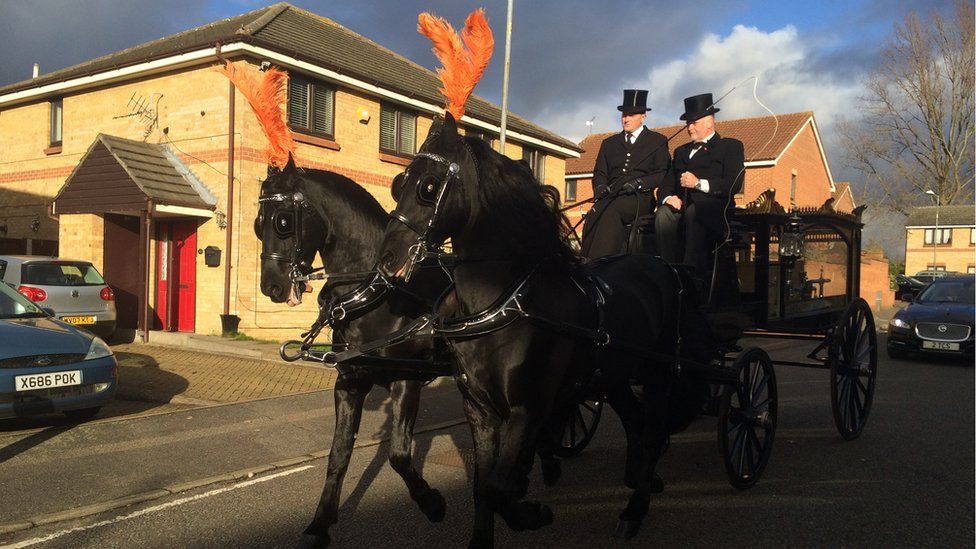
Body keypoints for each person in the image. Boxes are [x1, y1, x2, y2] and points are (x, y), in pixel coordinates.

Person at [654, 92, 744, 275]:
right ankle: (670, 272)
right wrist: (668, 197)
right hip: (682, 207)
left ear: (709, 122)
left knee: (695, 212)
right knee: (664, 215)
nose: (689, 128)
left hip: (715, 209)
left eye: (694, 122)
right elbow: (666, 183)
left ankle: (692, 273)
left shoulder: (730, 146)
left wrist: (698, 184)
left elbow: (733, 184)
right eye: (688, 123)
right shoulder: (680, 152)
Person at [580, 89, 670, 259]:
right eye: (623, 115)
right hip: (611, 195)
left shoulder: (657, 141)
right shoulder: (609, 143)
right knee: (595, 211)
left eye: (631, 115)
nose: (625, 119)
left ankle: (600, 262)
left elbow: (662, 172)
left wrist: (639, 183)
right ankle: (584, 260)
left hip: (638, 197)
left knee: (611, 211)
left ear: (643, 116)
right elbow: (600, 172)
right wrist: (599, 187)